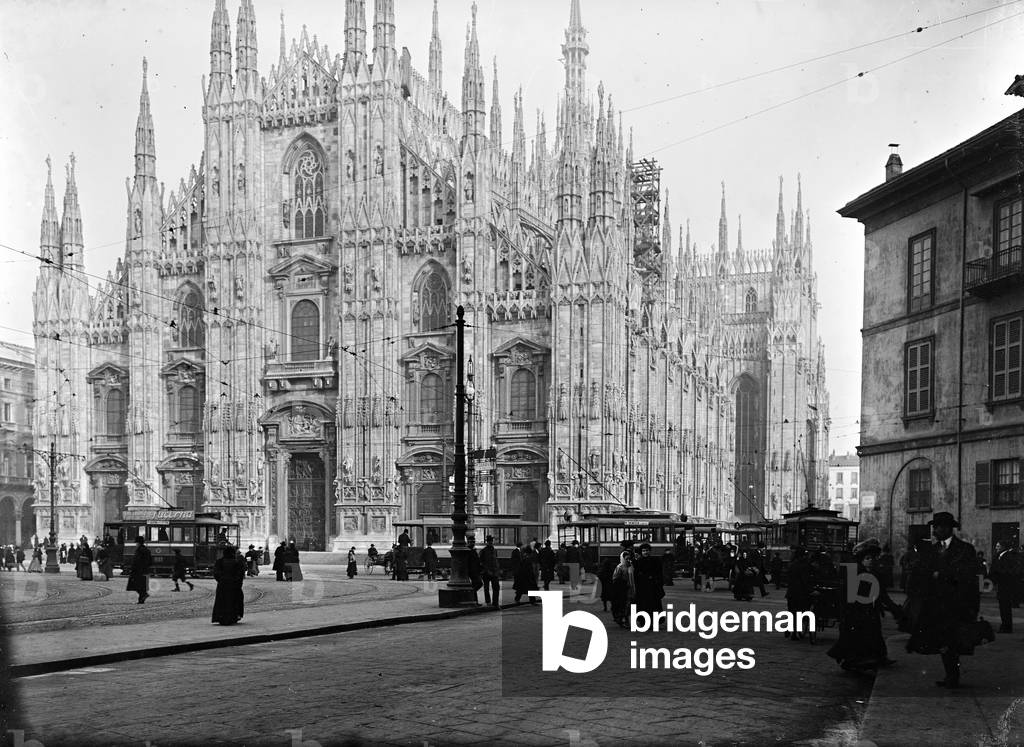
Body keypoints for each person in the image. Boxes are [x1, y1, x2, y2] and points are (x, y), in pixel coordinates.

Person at [904, 511, 992, 688]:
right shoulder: (931, 550)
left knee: (954, 640)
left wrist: (942, 575)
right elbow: (922, 573)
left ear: (949, 529)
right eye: (935, 527)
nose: (936, 530)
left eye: (940, 527)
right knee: (943, 640)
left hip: (957, 603)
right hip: (936, 604)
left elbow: (969, 576)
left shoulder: (965, 549)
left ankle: (953, 675)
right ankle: (951, 675)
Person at [826, 538, 902, 673]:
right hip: (855, 612)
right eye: (867, 558)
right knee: (857, 637)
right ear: (861, 559)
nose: (871, 560)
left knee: (875, 634)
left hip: (870, 611)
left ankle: (878, 657)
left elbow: (883, 595)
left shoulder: (875, 574)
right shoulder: (854, 573)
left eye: (872, 558)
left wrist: (894, 609)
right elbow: (846, 595)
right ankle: (853, 660)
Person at [989, 541, 1022, 634]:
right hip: (1003, 585)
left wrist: (997, 575)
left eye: (998, 546)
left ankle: (1006, 627)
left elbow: (1007, 570)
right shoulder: (1000, 555)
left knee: (1005, 607)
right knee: (1003, 607)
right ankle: (1005, 625)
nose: (996, 547)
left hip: (1005, 585)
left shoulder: (1008, 556)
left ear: (1003, 547)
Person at [785, 547, 814, 641]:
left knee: (792, 611)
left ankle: (791, 629)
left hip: (791, 592)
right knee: (799, 613)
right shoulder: (804, 565)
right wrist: (810, 590)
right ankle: (794, 632)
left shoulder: (792, 564)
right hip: (801, 593)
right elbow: (805, 580)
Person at [211, 546, 245, 625]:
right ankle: (233, 616)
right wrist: (237, 583)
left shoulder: (219, 562)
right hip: (234, 586)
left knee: (222, 602)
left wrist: (221, 581)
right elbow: (240, 575)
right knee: (235, 601)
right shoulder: (237, 562)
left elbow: (216, 574)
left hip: (222, 585)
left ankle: (221, 617)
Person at [634, 542, 665, 613]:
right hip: (643, 587)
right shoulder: (638, 562)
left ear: (650, 551)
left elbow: (659, 573)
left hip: (652, 586)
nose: (645, 552)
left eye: (647, 550)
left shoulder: (655, 561)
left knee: (652, 604)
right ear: (641, 552)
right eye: (643, 551)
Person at [610, 551, 636, 627]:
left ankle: (626, 620)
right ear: (623, 558)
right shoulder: (620, 567)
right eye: (626, 559)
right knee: (624, 604)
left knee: (630, 604)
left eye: (629, 558)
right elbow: (615, 579)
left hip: (631, 588)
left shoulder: (631, 566)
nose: (628, 560)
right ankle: (624, 620)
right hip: (623, 589)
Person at [127, 536, 152, 604]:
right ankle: (141, 599)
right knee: (141, 585)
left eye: (136, 543)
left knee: (136, 585)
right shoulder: (147, 550)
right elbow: (150, 561)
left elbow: (136, 561)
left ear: (138, 543)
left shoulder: (139, 550)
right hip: (145, 570)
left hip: (138, 570)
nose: (136, 544)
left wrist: (133, 568)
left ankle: (143, 595)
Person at [479, 534, 501, 608]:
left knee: (495, 587)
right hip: (487, 572)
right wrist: (486, 570)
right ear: (487, 542)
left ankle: (495, 602)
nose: (490, 542)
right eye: (489, 541)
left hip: (494, 572)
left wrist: (497, 570)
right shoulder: (484, 551)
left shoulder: (494, 550)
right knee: (487, 588)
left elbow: (496, 561)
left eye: (491, 541)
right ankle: (489, 601)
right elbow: (481, 562)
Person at [466, 534, 483, 604]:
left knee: (475, 585)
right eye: (471, 542)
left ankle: (475, 601)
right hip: (472, 571)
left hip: (475, 571)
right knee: (479, 584)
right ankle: (473, 598)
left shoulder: (472, 550)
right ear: (468, 542)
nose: (473, 543)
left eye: (473, 542)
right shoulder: (469, 551)